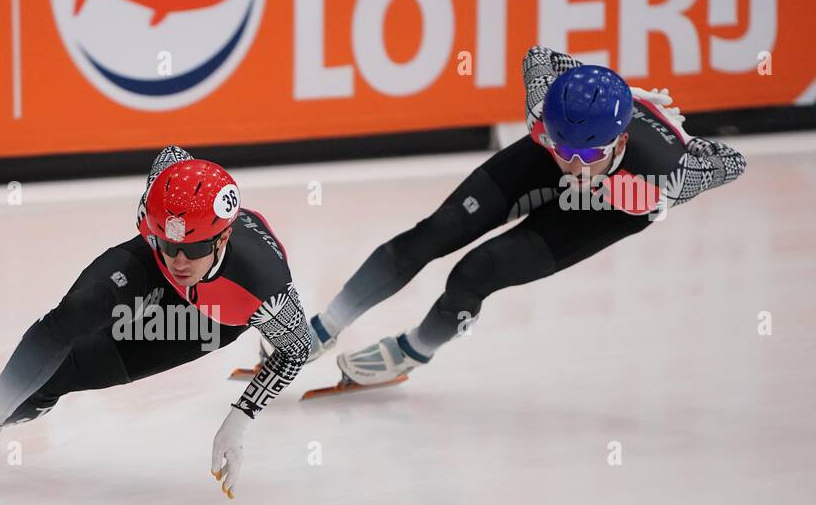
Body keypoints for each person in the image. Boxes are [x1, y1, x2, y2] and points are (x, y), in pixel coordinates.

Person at [294, 46, 747, 396]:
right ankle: (325, 326)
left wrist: (691, 152)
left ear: (620, 139)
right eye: (560, 143)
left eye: (585, 154)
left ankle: (414, 350)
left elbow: (733, 162)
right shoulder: (544, 106)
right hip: (545, 163)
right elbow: (540, 55)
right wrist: (610, 92)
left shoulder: (661, 174)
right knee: (435, 232)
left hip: (608, 203)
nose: (570, 162)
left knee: (477, 272)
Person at [0, 148, 312, 499]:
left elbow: (297, 349)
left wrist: (239, 419)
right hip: (147, 268)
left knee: (68, 371)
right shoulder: (164, 195)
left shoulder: (263, 288)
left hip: (209, 316)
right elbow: (171, 153)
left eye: (195, 249)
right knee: (71, 317)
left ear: (222, 239)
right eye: (170, 244)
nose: (180, 261)